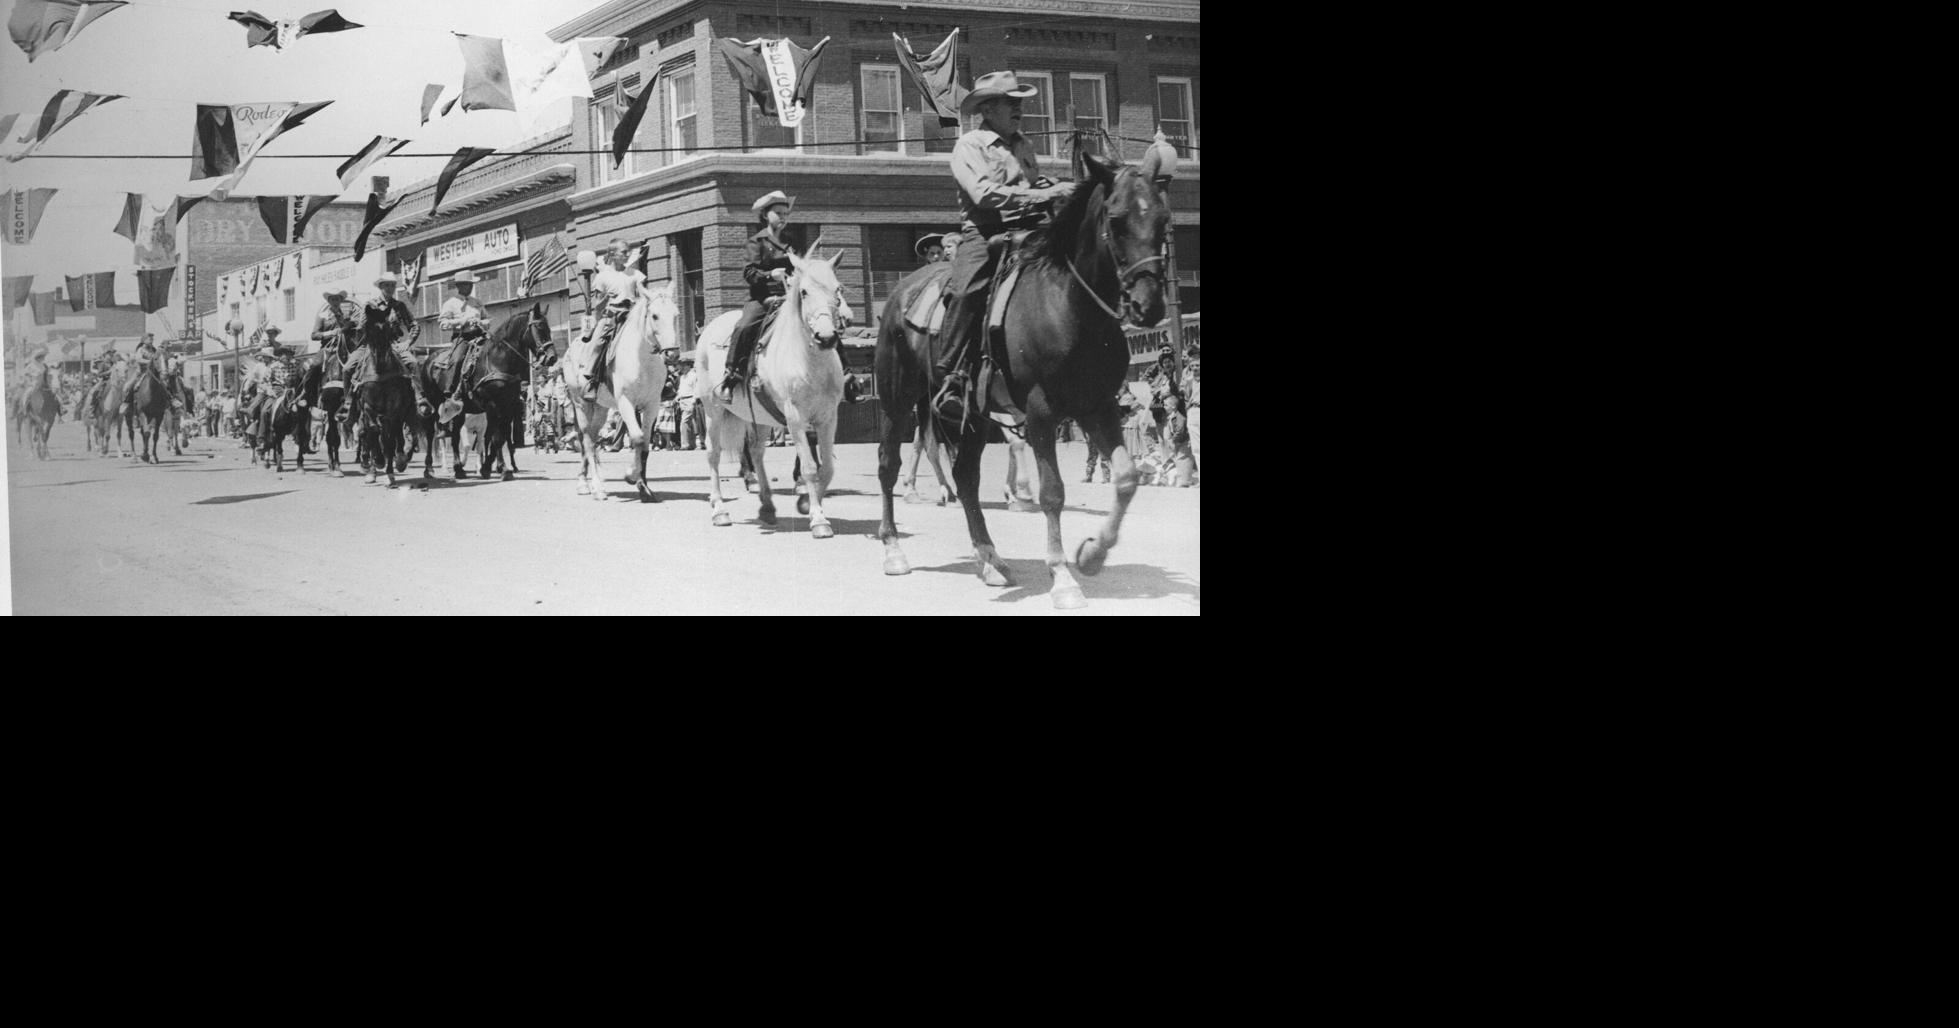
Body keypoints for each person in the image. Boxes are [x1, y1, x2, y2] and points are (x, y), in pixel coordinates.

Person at [931, 71, 1075, 424]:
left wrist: (1055, 186)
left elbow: (1030, 182)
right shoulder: (970, 145)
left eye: (1019, 102)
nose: (1018, 109)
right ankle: (952, 375)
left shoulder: (1022, 144)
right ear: (988, 108)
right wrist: (1040, 194)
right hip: (985, 230)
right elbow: (983, 194)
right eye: (1011, 102)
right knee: (968, 290)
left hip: (1029, 228)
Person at [717, 190, 800, 401]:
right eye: (778, 213)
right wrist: (770, 274)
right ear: (765, 215)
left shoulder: (792, 243)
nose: (783, 217)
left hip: (789, 297)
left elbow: (800, 267)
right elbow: (749, 273)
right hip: (763, 299)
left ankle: (844, 376)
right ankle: (731, 375)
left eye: (785, 214)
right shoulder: (757, 242)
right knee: (744, 326)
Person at [340, 273, 429, 420]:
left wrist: (407, 343)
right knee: (347, 368)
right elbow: (361, 327)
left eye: (392, 285)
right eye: (386, 285)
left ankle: (420, 399)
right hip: (369, 345)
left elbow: (414, 325)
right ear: (380, 287)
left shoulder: (399, 306)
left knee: (413, 363)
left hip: (393, 345)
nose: (390, 288)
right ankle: (347, 403)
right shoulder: (369, 305)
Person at [579, 239, 649, 401]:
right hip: (611, 317)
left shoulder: (635, 274)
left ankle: (664, 379)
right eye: (623, 252)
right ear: (612, 254)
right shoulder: (603, 277)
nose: (627, 255)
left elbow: (642, 295)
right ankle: (592, 379)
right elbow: (596, 305)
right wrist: (605, 300)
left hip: (632, 316)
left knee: (653, 335)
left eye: (628, 251)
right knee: (598, 342)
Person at [434, 268, 491, 402]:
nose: (470, 287)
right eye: (467, 284)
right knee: (458, 359)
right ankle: (451, 389)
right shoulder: (450, 304)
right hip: (462, 338)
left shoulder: (477, 302)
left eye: (471, 284)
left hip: (480, 335)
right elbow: (442, 324)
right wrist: (461, 321)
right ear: (458, 286)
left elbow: (488, 319)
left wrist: (481, 322)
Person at [117, 333, 161, 415]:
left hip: (153, 373)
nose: (151, 341)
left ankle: (171, 400)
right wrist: (149, 362)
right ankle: (126, 403)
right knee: (131, 385)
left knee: (164, 384)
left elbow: (157, 360)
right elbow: (139, 359)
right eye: (149, 339)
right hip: (141, 372)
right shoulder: (141, 349)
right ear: (144, 340)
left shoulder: (154, 350)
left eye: (152, 339)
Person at [676, 358, 699, 449]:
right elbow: (681, 389)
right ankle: (691, 444)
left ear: (689, 365)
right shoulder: (682, 377)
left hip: (690, 400)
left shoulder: (694, 375)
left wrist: (694, 400)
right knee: (689, 423)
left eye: (684, 365)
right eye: (681, 365)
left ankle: (685, 444)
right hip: (682, 400)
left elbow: (696, 388)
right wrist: (677, 397)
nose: (682, 367)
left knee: (684, 422)